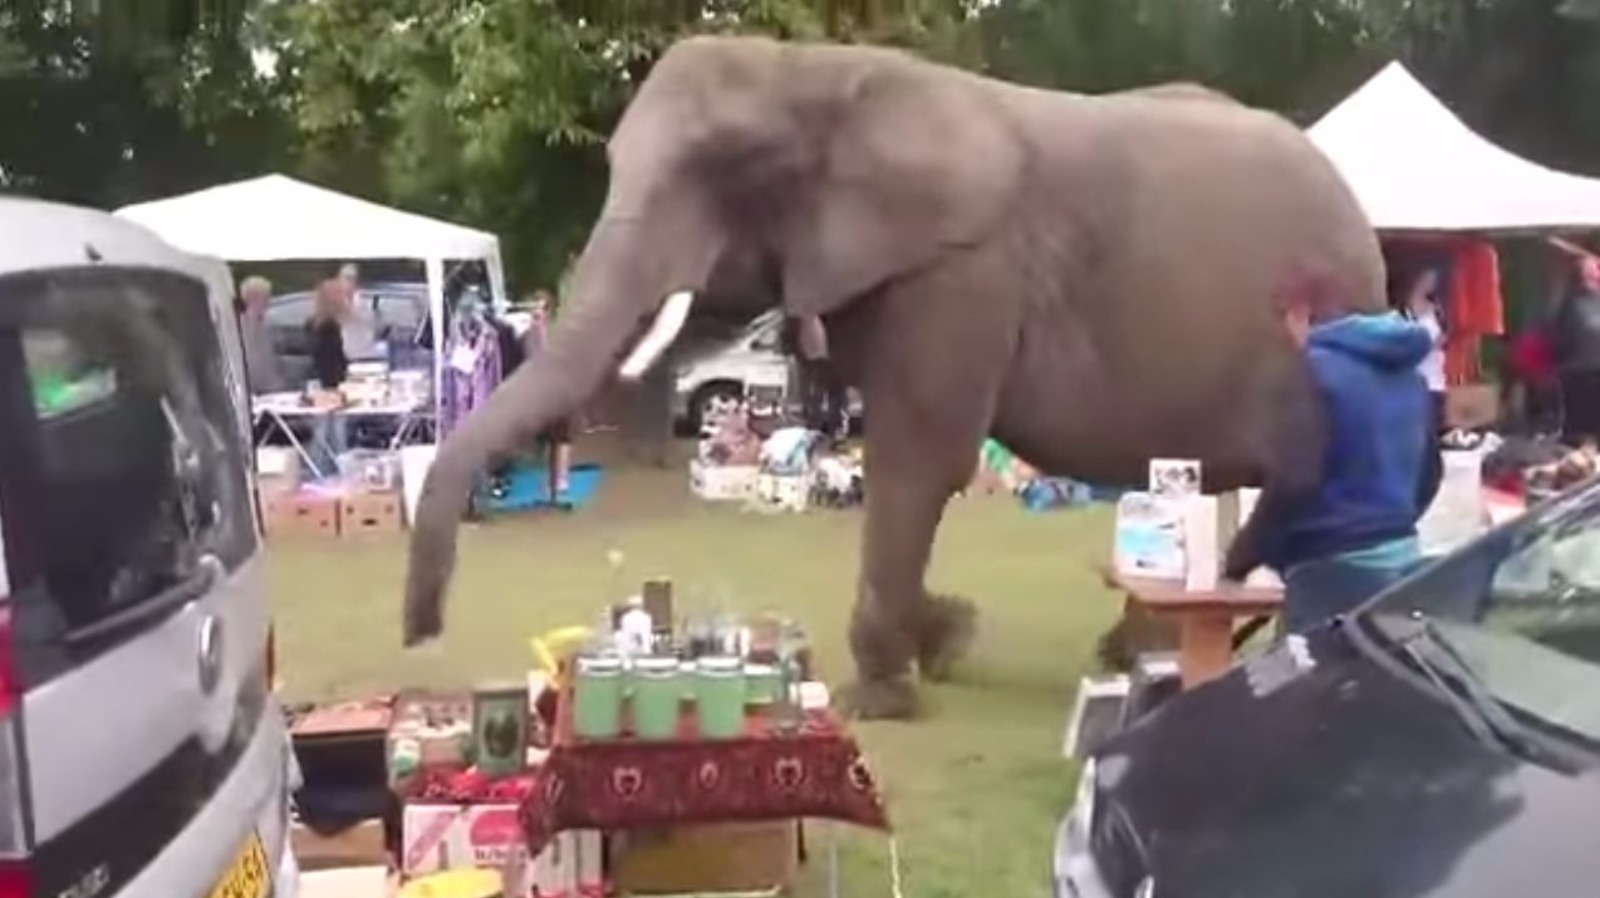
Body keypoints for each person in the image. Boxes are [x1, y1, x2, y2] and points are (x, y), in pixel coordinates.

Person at [1224, 272, 1442, 634]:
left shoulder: (1309, 371)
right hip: (1402, 562)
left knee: (1311, 686)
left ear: (1300, 311)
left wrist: (1241, 557)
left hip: (1330, 571)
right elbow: (1430, 473)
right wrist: (1392, 520)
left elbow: (1295, 480)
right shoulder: (1409, 375)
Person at [1553, 255, 1600, 445]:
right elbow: (1562, 339)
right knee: (1580, 427)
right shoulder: (1571, 303)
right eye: (1594, 269)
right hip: (1579, 374)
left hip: (1591, 370)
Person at [306, 278, 350, 478]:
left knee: (325, 432)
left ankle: (322, 472)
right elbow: (330, 359)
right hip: (327, 384)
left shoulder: (316, 324)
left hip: (323, 382)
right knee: (331, 433)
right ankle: (331, 473)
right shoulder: (328, 327)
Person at [1401, 269, 1447, 433]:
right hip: (1419, 377)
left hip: (1437, 375)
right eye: (1428, 279)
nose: (1431, 284)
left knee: (1436, 424)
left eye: (1433, 280)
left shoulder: (1436, 307)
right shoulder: (1406, 309)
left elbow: (1445, 334)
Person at [237, 276, 285, 395]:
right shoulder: (239, 325)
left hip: (271, 386)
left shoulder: (267, 323)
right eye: (266, 297)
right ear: (254, 298)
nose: (268, 301)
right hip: (255, 387)